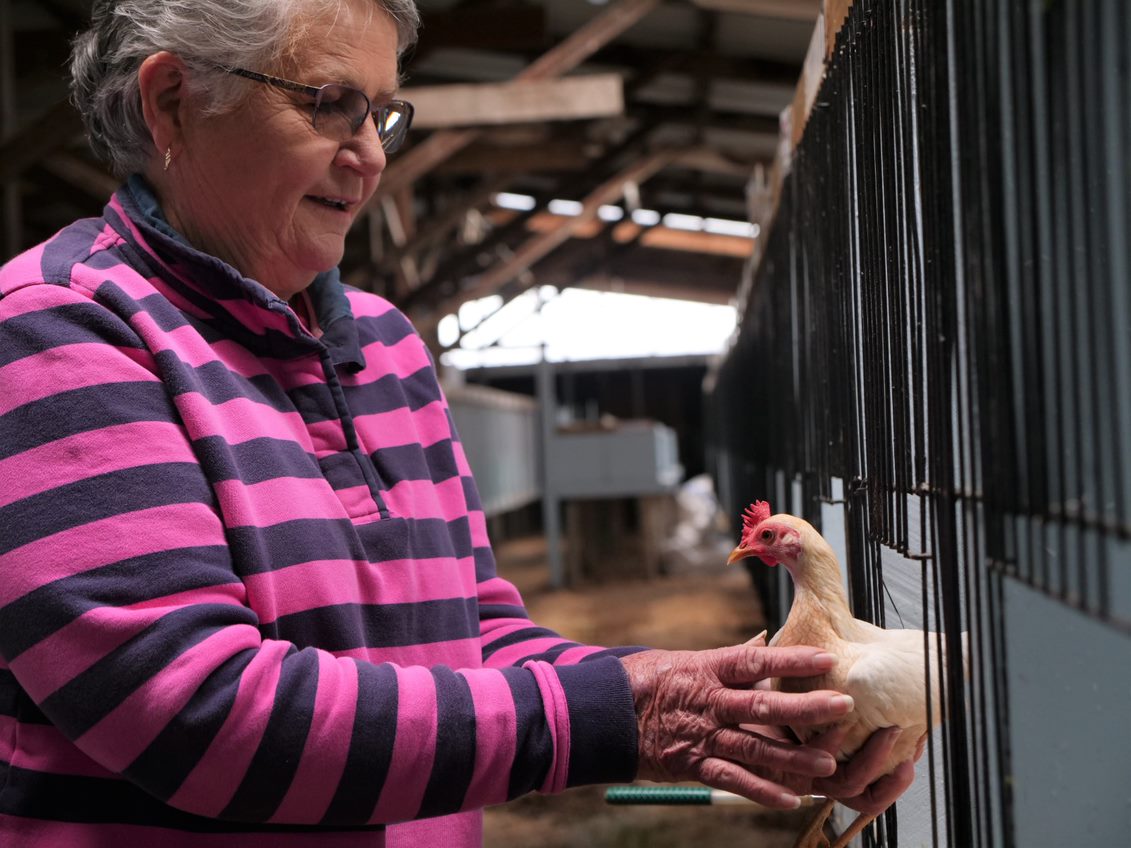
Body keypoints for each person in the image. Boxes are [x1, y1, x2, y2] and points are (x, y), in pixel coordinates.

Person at [0, 0, 919, 844]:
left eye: (381, 115)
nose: (369, 154)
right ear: (170, 104)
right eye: (329, 104)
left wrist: (735, 710)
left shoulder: (386, 348)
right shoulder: (61, 332)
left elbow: (474, 636)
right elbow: (197, 714)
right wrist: (620, 716)